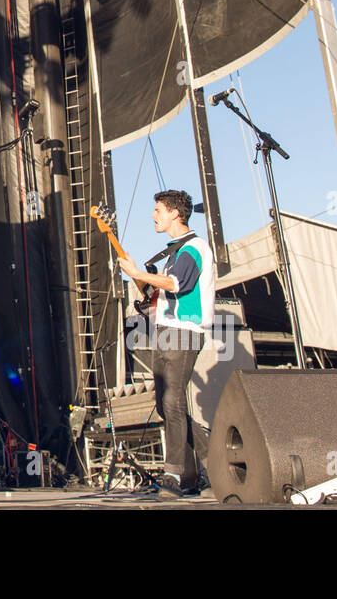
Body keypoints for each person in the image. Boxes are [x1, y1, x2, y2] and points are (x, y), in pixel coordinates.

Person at [116, 189, 216, 499]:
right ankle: (211, 469)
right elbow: (164, 295)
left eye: (158, 209)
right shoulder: (173, 253)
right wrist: (144, 289)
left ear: (175, 214)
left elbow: (178, 284)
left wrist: (137, 272)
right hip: (167, 330)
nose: (153, 215)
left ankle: (174, 475)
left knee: (172, 404)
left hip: (184, 331)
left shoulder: (194, 247)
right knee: (165, 405)